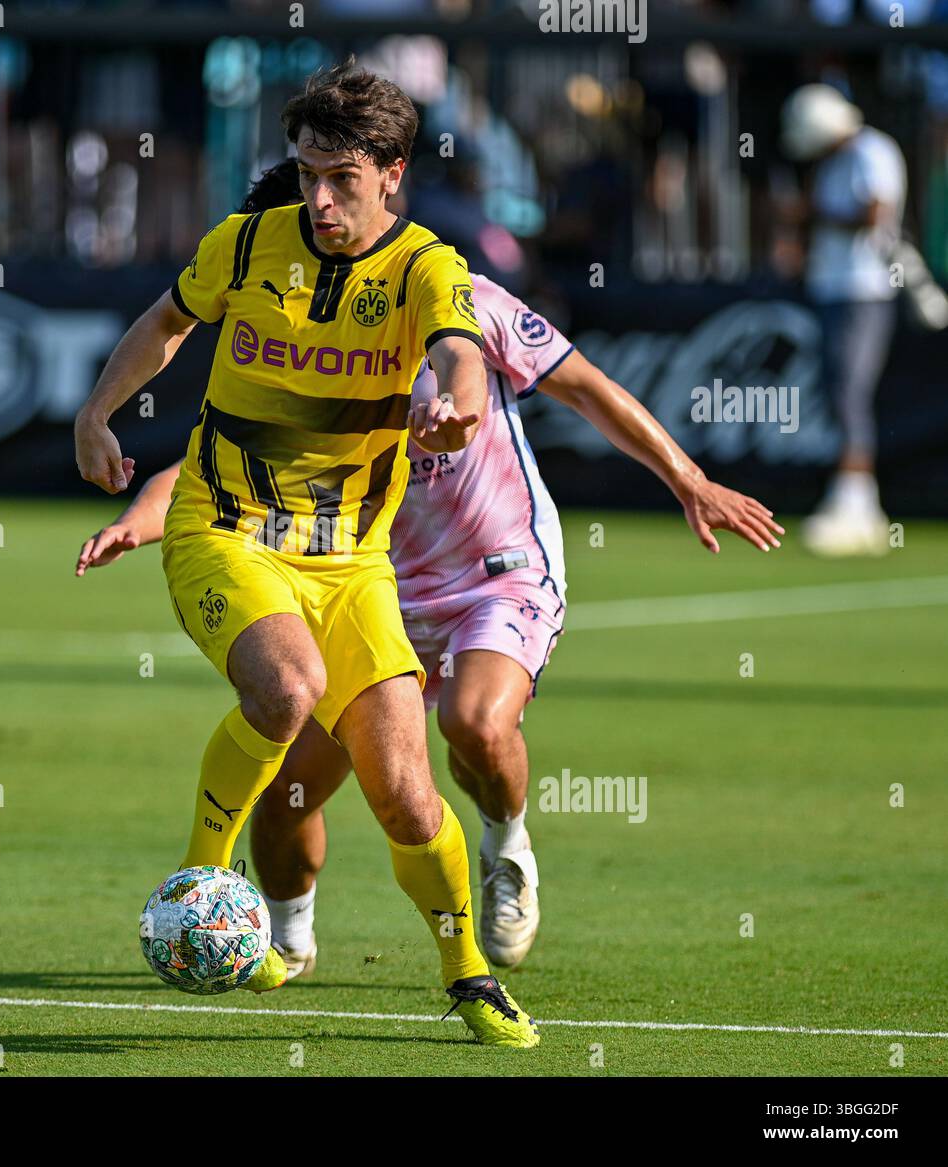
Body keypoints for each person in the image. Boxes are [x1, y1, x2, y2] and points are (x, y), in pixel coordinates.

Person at [78, 158, 783, 982]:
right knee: (290, 786)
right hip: (371, 578)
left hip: (499, 567)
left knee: (475, 724)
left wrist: (687, 478)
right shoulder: (288, 329)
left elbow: (587, 388)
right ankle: (283, 935)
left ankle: (506, 842)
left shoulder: (460, 298)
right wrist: (138, 518)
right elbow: (220, 457)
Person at [73, 59, 543, 1049]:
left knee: (409, 795)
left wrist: (457, 396)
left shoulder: (425, 268)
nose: (317, 198)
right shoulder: (244, 243)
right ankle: (202, 877)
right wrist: (97, 412)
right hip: (227, 530)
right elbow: (165, 325)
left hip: (351, 566)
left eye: (339, 178)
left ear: (392, 173)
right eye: (305, 174)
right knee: (288, 690)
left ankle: (466, 977)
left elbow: (460, 348)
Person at [780, 83, 907, 557]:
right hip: (833, 289)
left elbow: (876, 215)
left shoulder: (874, 149)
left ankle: (856, 503)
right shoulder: (832, 161)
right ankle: (857, 501)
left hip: (864, 290)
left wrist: (812, 213)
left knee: (851, 391)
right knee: (840, 392)